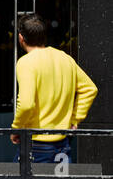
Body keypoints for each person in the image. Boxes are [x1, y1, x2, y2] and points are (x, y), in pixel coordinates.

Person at [11, 13, 98, 163]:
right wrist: (74, 119)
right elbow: (90, 88)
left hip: (36, 144)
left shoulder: (25, 63)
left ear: (20, 37)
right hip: (62, 142)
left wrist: (16, 128)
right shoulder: (65, 59)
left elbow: (26, 104)